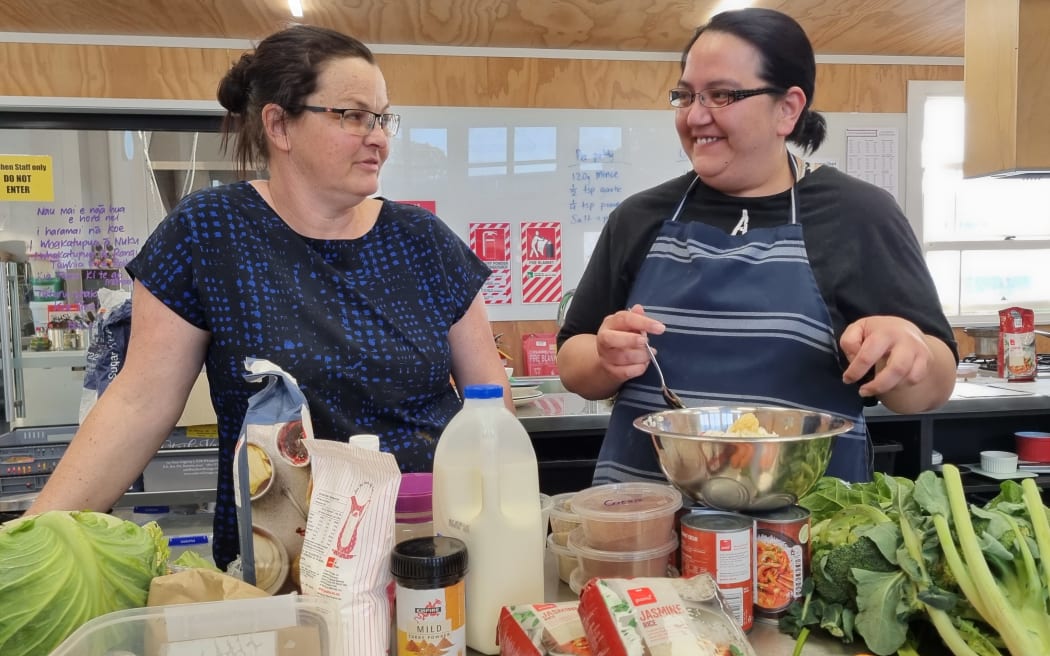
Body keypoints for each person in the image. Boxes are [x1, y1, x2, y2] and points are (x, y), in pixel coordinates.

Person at [27, 24, 510, 569]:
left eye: (382, 117)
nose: (378, 136)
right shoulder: (209, 233)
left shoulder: (423, 242)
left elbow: (492, 405)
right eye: (353, 115)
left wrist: (504, 534)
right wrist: (34, 539)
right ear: (279, 125)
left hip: (429, 551)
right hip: (285, 561)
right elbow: (139, 402)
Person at [556, 8, 958, 487]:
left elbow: (932, 386)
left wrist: (907, 353)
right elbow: (572, 360)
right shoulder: (640, 216)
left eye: (722, 95)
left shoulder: (859, 215)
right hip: (651, 527)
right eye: (685, 95)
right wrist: (604, 358)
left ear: (787, 108)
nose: (695, 115)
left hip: (804, 534)